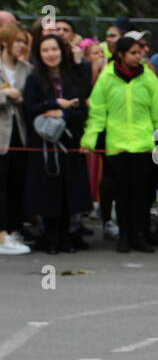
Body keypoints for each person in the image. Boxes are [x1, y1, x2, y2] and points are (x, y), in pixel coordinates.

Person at [79, 32, 158, 253]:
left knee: (142, 194)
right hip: (117, 144)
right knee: (122, 194)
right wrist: (90, 139)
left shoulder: (148, 78)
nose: (139, 57)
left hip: (143, 145)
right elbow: (98, 112)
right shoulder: (107, 77)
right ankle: (125, 236)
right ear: (120, 54)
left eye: (140, 52)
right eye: (133, 53)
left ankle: (140, 234)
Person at [23, 33, 92, 253]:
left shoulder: (73, 77)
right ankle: (50, 237)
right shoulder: (34, 79)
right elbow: (28, 109)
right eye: (45, 50)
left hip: (70, 142)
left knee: (69, 191)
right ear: (39, 54)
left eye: (54, 49)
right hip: (44, 145)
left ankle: (66, 236)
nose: (51, 55)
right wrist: (52, 105)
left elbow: (82, 111)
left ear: (62, 51)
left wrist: (63, 113)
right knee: (47, 192)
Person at [0, 23, 33, 254]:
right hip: (1, 131)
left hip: (19, 133)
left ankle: (13, 230)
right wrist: (5, 94)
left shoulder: (26, 69)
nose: (21, 46)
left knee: (16, 183)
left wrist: (19, 98)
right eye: (17, 41)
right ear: (5, 42)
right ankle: (2, 235)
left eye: (24, 42)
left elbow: (28, 98)